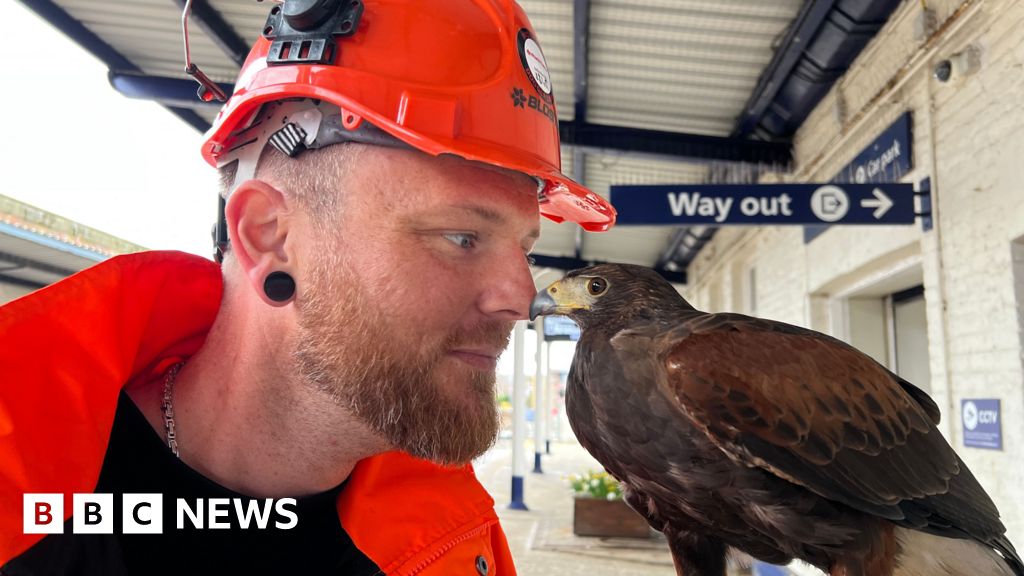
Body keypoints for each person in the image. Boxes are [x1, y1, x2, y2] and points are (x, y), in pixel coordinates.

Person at [0, 0, 615, 574]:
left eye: (523, 249)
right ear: (269, 236)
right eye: (461, 237)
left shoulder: (450, 544)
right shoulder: (26, 508)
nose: (518, 295)